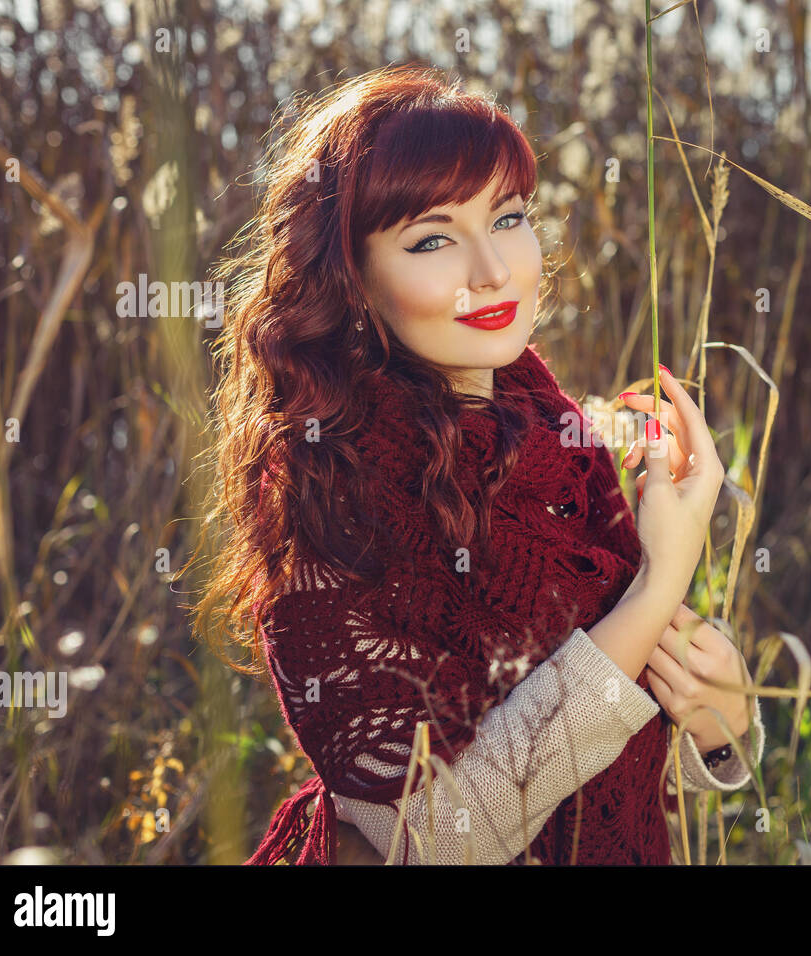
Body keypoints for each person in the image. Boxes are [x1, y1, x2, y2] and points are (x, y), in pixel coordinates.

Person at [193, 63, 764, 865]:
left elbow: (609, 737)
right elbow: (440, 837)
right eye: (432, 239)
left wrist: (722, 727)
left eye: (507, 218)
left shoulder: (552, 435)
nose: (494, 272)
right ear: (351, 277)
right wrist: (660, 580)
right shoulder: (329, 491)